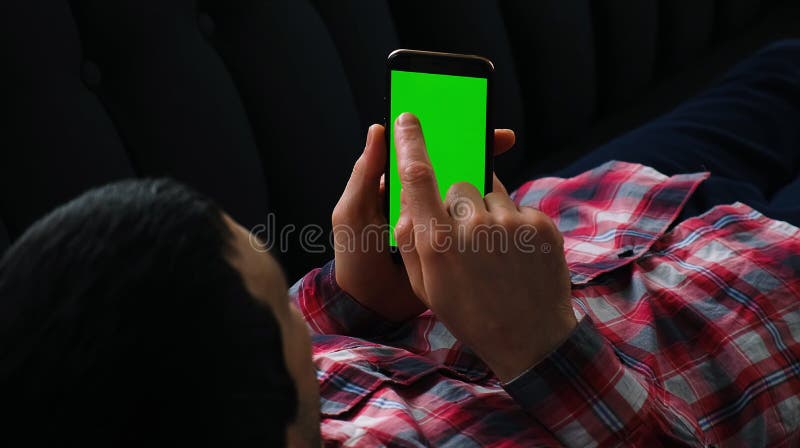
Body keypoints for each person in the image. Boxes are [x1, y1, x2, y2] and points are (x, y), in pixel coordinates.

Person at [1, 39, 800, 447]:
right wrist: (545, 345)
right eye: (282, 315)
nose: (296, 311)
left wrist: (352, 299)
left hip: (608, 205)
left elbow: (305, 340)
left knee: (782, 68)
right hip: (765, 291)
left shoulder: (179, 379)